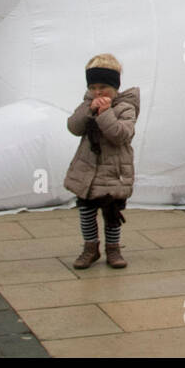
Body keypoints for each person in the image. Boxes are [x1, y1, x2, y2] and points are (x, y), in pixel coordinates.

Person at [63, 53, 139, 269]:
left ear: (114, 87)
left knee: (112, 212)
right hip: (87, 169)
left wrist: (105, 113)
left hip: (114, 170)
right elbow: (73, 127)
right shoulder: (87, 104)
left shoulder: (125, 108)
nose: (97, 92)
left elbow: (121, 134)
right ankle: (90, 247)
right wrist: (89, 110)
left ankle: (113, 249)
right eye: (93, 87)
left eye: (103, 87)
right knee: (86, 210)